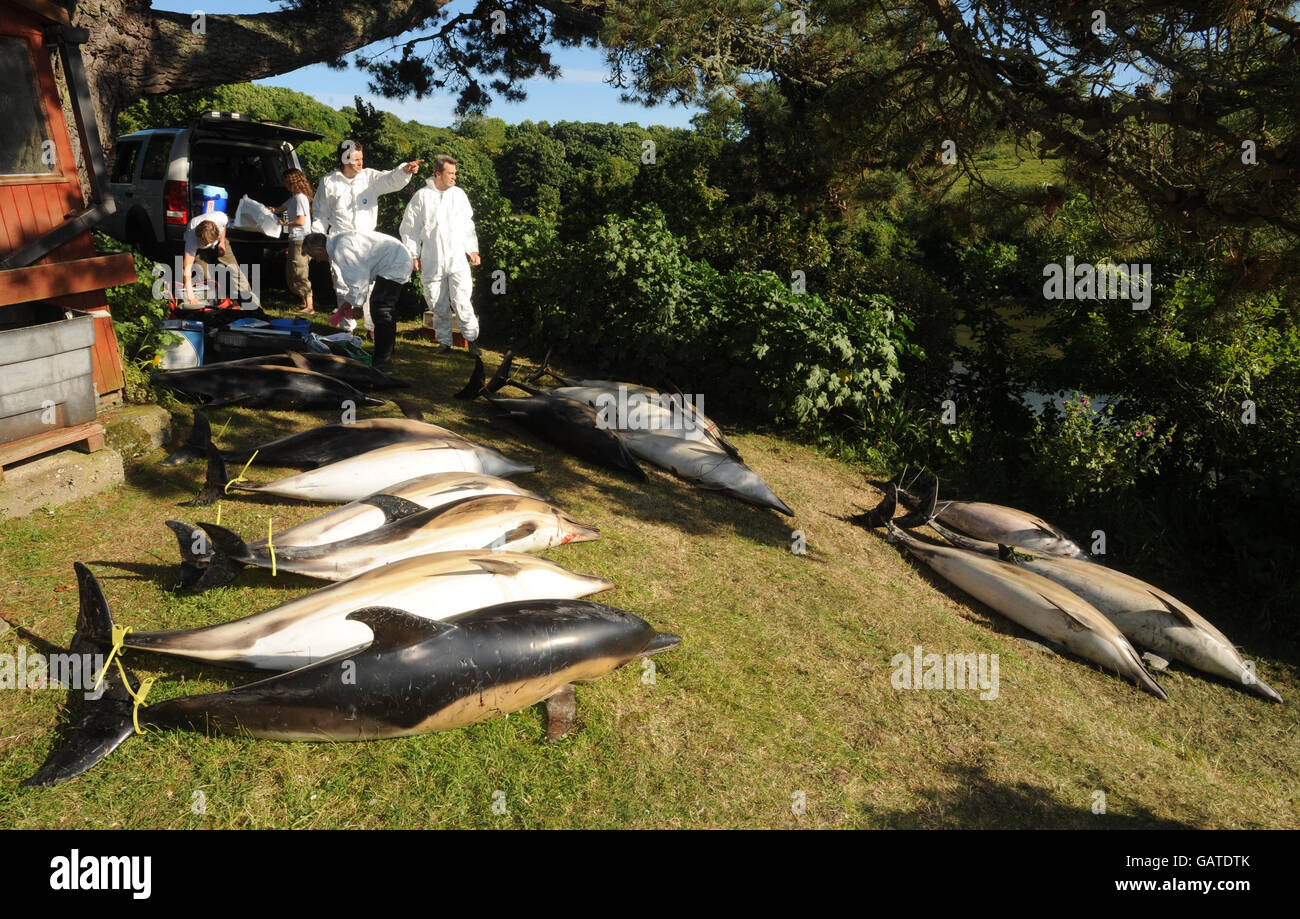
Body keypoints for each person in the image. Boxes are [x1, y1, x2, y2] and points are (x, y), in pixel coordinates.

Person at [312, 140, 423, 331]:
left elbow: (389, 179)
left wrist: (404, 170)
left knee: (372, 290)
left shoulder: (369, 177)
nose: (360, 163)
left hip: (369, 245)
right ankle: (347, 330)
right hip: (341, 244)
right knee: (343, 286)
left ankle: (374, 329)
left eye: (361, 159)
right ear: (343, 159)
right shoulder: (329, 182)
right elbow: (320, 213)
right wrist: (317, 240)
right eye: (356, 159)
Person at [399, 154, 481, 355]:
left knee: (462, 300)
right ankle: (444, 342)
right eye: (450, 173)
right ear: (438, 173)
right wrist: (413, 254)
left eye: (455, 173)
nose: (454, 177)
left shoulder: (459, 195)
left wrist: (472, 249)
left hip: (456, 258)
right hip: (432, 258)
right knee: (437, 302)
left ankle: (472, 341)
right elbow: (410, 228)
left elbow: (467, 225)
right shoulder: (422, 197)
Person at [302, 231, 411, 368]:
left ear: (320, 249)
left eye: (314, 256)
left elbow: (358, 281)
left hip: (395, 262)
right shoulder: (338, 243)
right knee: (380, 307)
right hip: (393, 259)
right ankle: (384, 351)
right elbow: (358, 280)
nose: (317, 260)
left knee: (382, 308)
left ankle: (383, 359)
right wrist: (350, 303)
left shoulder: (341, 250)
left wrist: (357, 306)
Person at [180, 209, 260, 309]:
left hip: (219, 242)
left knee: (235, 272)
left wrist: (221, 242)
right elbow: (186, 268)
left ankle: (253, 305)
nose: (208, 245)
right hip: (199, 250)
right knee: (204, 276)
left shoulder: (220, 218)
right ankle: (209, 307)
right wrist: (191, 297)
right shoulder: (192, 238)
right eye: (206, 243)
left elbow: (224, 226)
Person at [274, 168, 314, 314]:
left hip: (301, 240)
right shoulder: (293, 198)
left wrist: (285, 224)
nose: (284, 184)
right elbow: (279, 209)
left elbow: (301, 221)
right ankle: (303, 302)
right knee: (291, 273)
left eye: (285, 181)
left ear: (291, 181)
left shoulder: (300, 198)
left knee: (300, 272)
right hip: (295, 239)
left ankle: (310, 306)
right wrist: (268, 210)